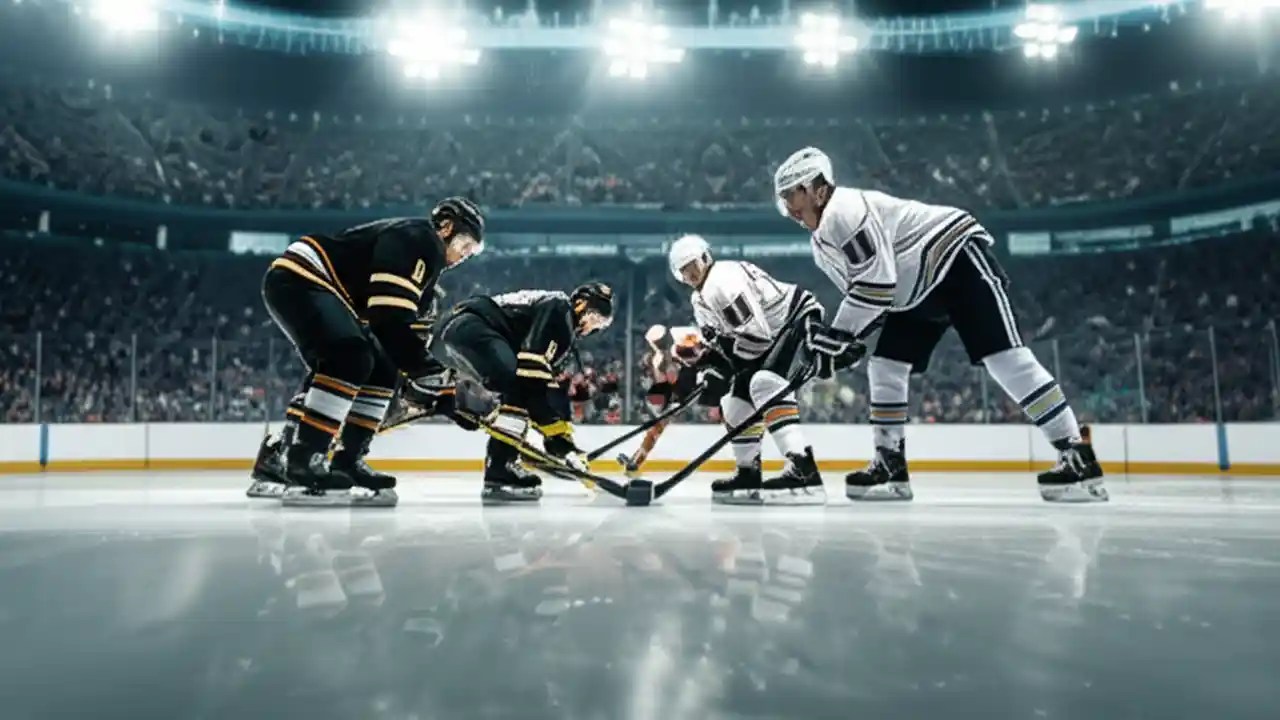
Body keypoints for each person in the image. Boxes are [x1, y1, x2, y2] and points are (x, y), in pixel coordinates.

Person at [773, 147, 1107, 503]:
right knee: (885, 366)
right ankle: (890, 463)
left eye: (792, 194)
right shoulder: (822, 241)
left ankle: (1077, 455)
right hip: (911, 290)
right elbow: (871, 297)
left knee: (1006, 359)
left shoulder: (844, 211)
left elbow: (874, 285)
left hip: (955, 260)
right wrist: (843, 342)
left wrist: (838, 338)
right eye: (783, 199)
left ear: (818, 189)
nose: (788, 207)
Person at [260, 197, 486, 505]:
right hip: (303, 277)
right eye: (465, 243)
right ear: (446, 227)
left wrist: (438, 392)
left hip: (327, 291)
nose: (464, 255)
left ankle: (346, 459)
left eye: (471, 251)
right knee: (349, 356)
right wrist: (434, 376)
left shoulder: (426, 276)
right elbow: (389, 319)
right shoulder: (421, 239)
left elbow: (400, 347)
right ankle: (304, 458)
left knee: (381, 368)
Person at [668, 234, 842, 505]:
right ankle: (749, 474)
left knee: (764, 383)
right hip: (769, 336)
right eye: (683, 270)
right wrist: (704, 360)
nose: (689, 273)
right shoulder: (700, 299)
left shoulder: (720, 282)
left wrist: (723, 368)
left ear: (705, 258)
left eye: (692, 265)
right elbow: (726, 342)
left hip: (794, 319)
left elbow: (756, 336)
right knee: (735, 405)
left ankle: (804, 470)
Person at [426, 283, 615, 503]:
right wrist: (560, 441)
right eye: (594, 317)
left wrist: (555, 437)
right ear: (580, 304)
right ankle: (500, 467)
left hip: (446, 334)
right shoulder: (559, 311)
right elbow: (532, 386)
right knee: (519, 389)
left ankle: (501, 464)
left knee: (514, 392)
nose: (592, 327)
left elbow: (530, 389)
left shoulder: (550, 308)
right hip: (470, 327)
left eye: (599, 324)